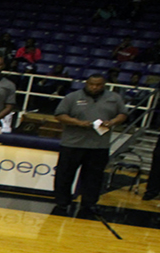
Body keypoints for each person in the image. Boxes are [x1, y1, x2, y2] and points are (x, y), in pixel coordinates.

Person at [53, 74, 128, 216]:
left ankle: (89, 204)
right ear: (86, 83)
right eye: (92, 84)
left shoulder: (114, 98)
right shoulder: (72, 97)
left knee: (94, 177)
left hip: (99, 146)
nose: (94, 87)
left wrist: (112, 122)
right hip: (73, 144)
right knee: (64, 175)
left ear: (104, 85)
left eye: (98, 85)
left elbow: (123, 114)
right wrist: (78, 122)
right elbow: (59, 115)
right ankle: (62, 202)